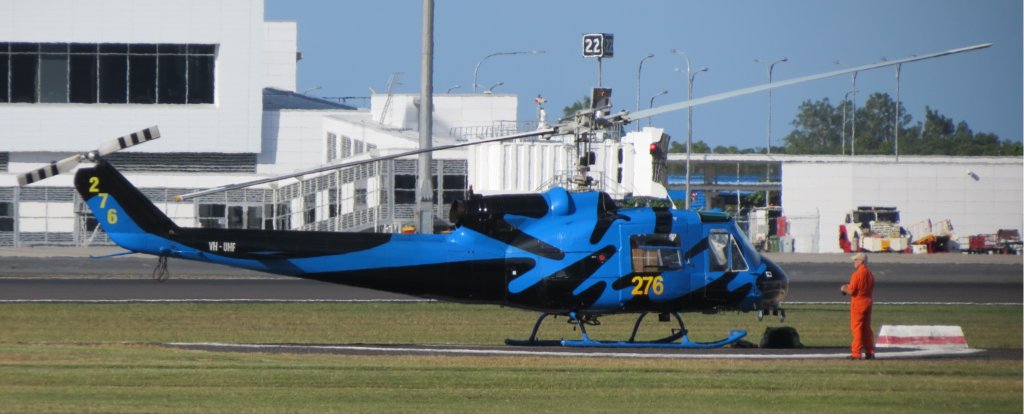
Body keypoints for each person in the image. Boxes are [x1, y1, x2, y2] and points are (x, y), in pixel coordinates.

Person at [840, 252, 875, 360]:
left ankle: (856, 353)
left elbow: (852, 291)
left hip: (858, 303)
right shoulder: (870, 274)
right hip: (868, 301)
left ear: (861, 261)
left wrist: (844, 289)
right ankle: (870, 352)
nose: (854, 262)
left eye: (856, 260)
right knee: (866, 329)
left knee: (857, 328)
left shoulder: (856, 274)